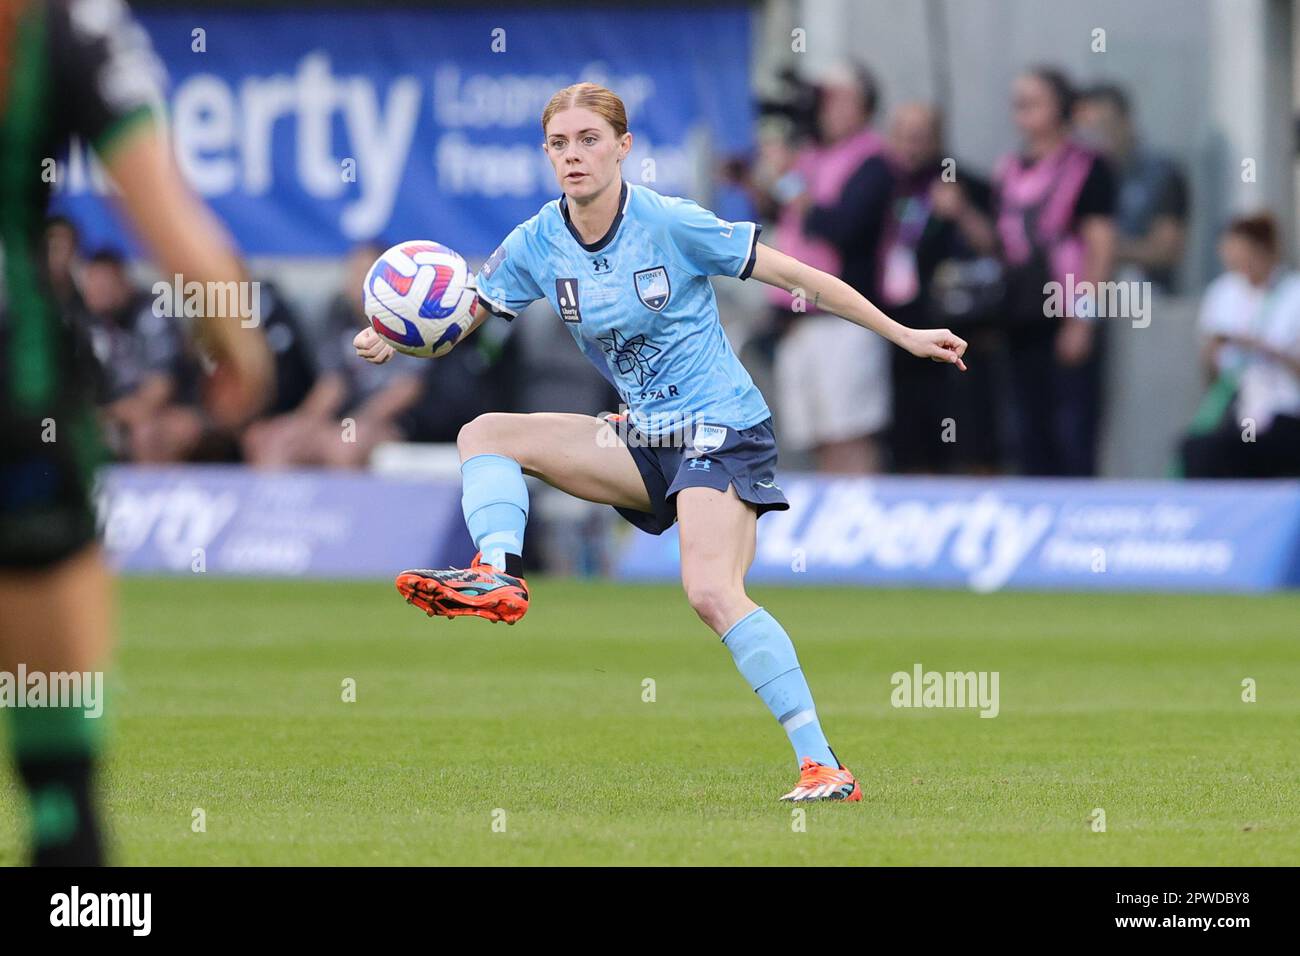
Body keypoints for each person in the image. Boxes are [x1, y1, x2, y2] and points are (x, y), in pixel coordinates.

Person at [353, 82, 967, 802]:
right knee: (483, 433)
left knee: (710, 591)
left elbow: (800, 278)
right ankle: (496, 573)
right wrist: (394, 335)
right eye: (559, 143)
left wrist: (903, 333)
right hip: (642, 436)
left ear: (623, 147)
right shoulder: (537, 241)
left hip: (721, 429)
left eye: (589, 140)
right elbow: (467, 312)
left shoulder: (670, 223)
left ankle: (822, 765)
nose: (574, 156)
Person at [0, 0, 272, 865]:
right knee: (58, 775)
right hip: (16, 397)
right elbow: (170, 219)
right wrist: (234, 339)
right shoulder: (67, 28)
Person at [767, 63, 896, 473]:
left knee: (850, 432)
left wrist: (795, 184)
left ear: (864, 106)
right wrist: (778, 177)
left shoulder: (875, 162)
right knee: (818, 436)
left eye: (841, 98)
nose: (828, 108)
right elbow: (785, 215)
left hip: (845, 318)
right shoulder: (811, 157)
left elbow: (845, 229)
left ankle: (860, 518)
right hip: (798, 319)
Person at [990, 67, 1117, 476]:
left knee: (1072, 432)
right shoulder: (1008, 168)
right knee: (1028, 432)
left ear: (1060, 107)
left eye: (1034, 100)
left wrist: (1083, 320)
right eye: (1017, 101)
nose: (1022, 109)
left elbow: (1101, 246)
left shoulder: (1089, 166)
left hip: (1065, 315)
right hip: (1020, 316)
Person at [879, 102, 997, 472]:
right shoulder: (885, 184)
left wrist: (961, 212)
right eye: (903, 136)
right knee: (906, 436)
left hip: (954, 330)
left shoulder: (962, 183)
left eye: (920, 136)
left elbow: (997, 249)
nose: (911, 145)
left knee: (965, 433)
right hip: (895, 328)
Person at [1179, 214, 1300, 477]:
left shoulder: (1293, 294)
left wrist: (1260, 346)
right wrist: (1213, 352)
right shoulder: (1222, 293)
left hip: (1284, 410)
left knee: (1261, 444)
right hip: (1237, 406)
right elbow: (1211, 377)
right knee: (1197, 450)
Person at [1073, 84, 1189, 293]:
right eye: (1088, 129)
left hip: (1145, 298)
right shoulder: (1079, 175)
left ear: (1126, 121)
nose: (1097, 136)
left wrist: (1104, 249)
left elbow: (1166, 251)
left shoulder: (1162, 174)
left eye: (1104, 125)